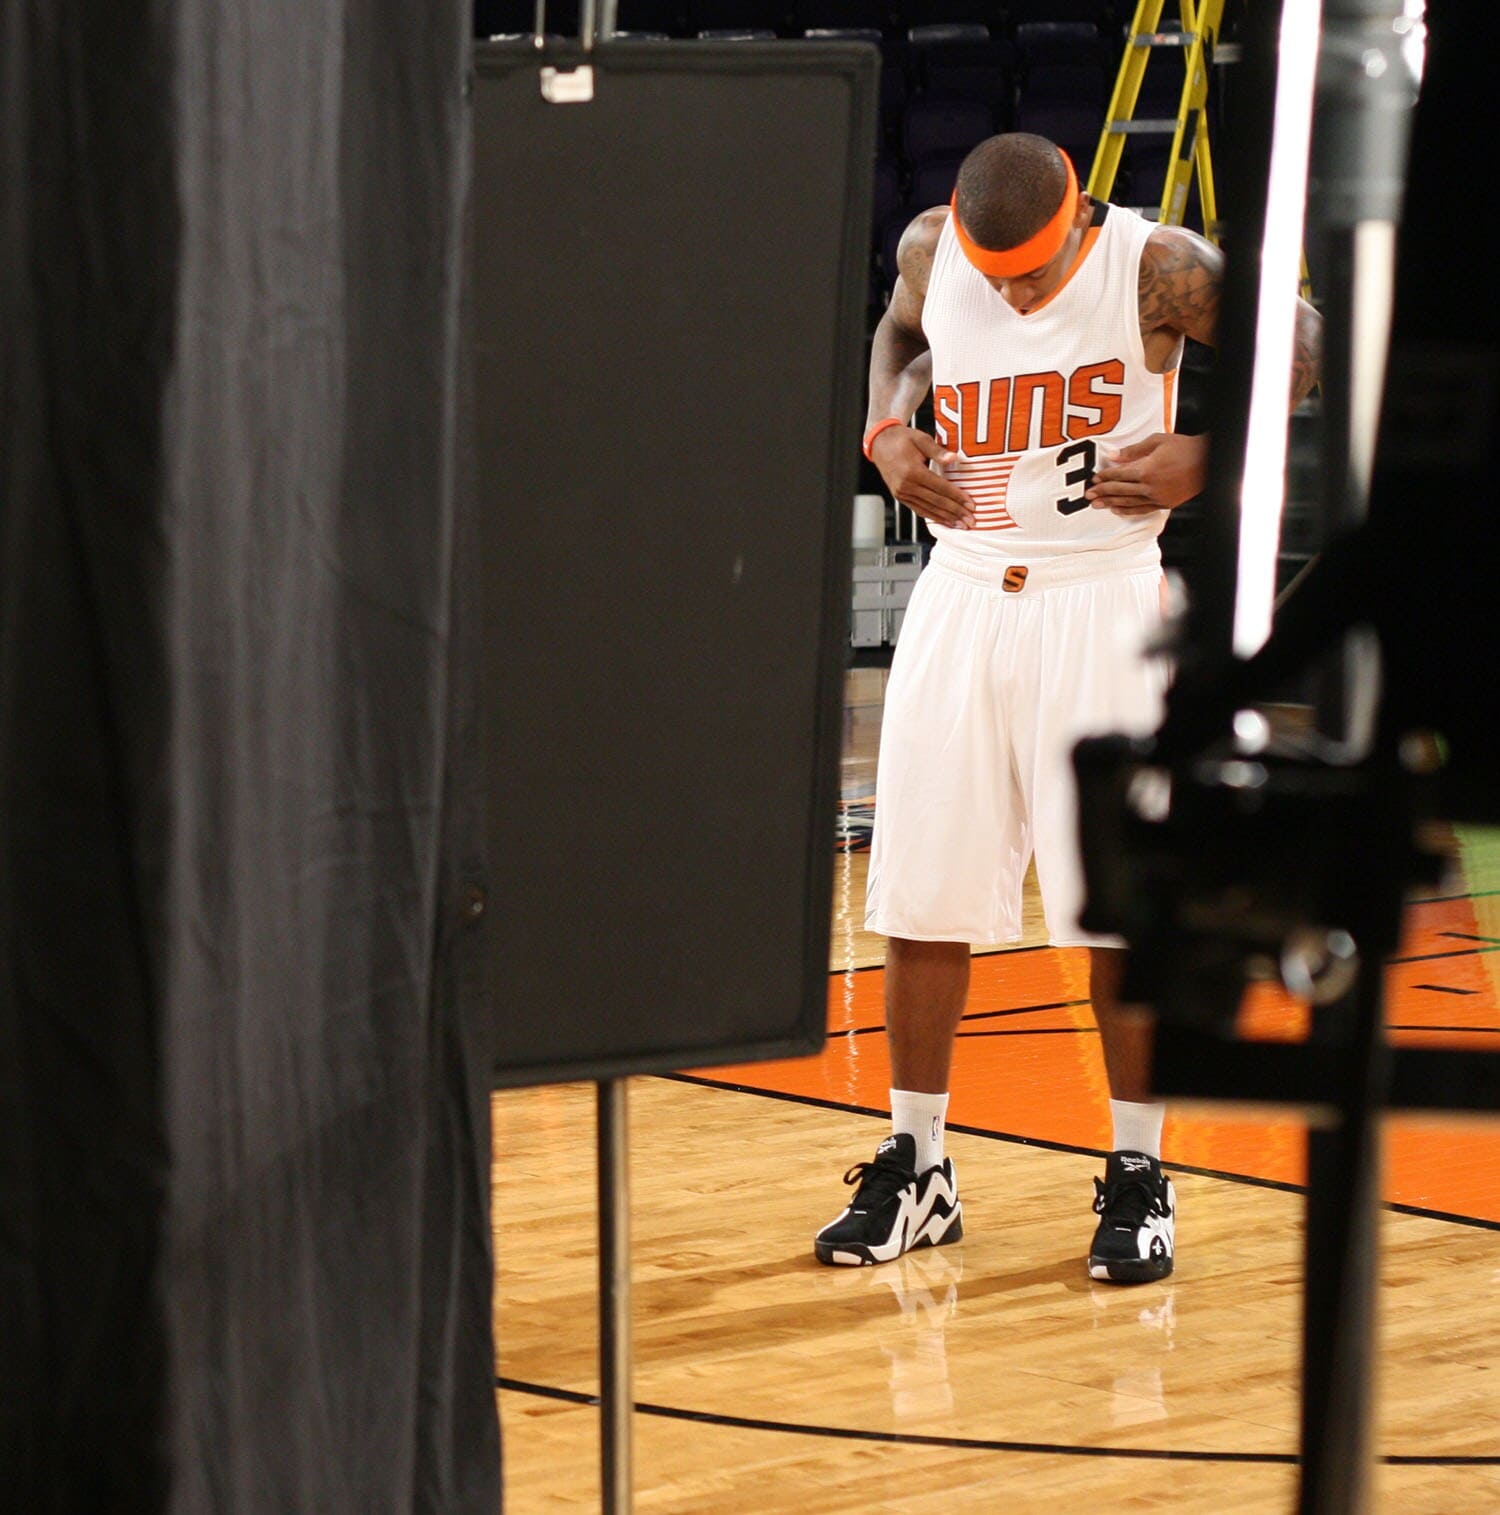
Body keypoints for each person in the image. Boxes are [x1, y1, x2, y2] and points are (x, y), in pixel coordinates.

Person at [815, 133, 1321, 1281]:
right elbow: (899, 333)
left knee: (1119, 908)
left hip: (1102, 600)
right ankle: (919, 1163)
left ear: (1079, 218)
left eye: (1032, 273)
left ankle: (1140, 1170)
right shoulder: (934, 248)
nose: (1011, 290)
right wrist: (887, 431)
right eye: (995, 275)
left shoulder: (1156, 264)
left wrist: (1209, 453)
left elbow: (1302, 347)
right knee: (921, 892)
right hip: (962, 588)